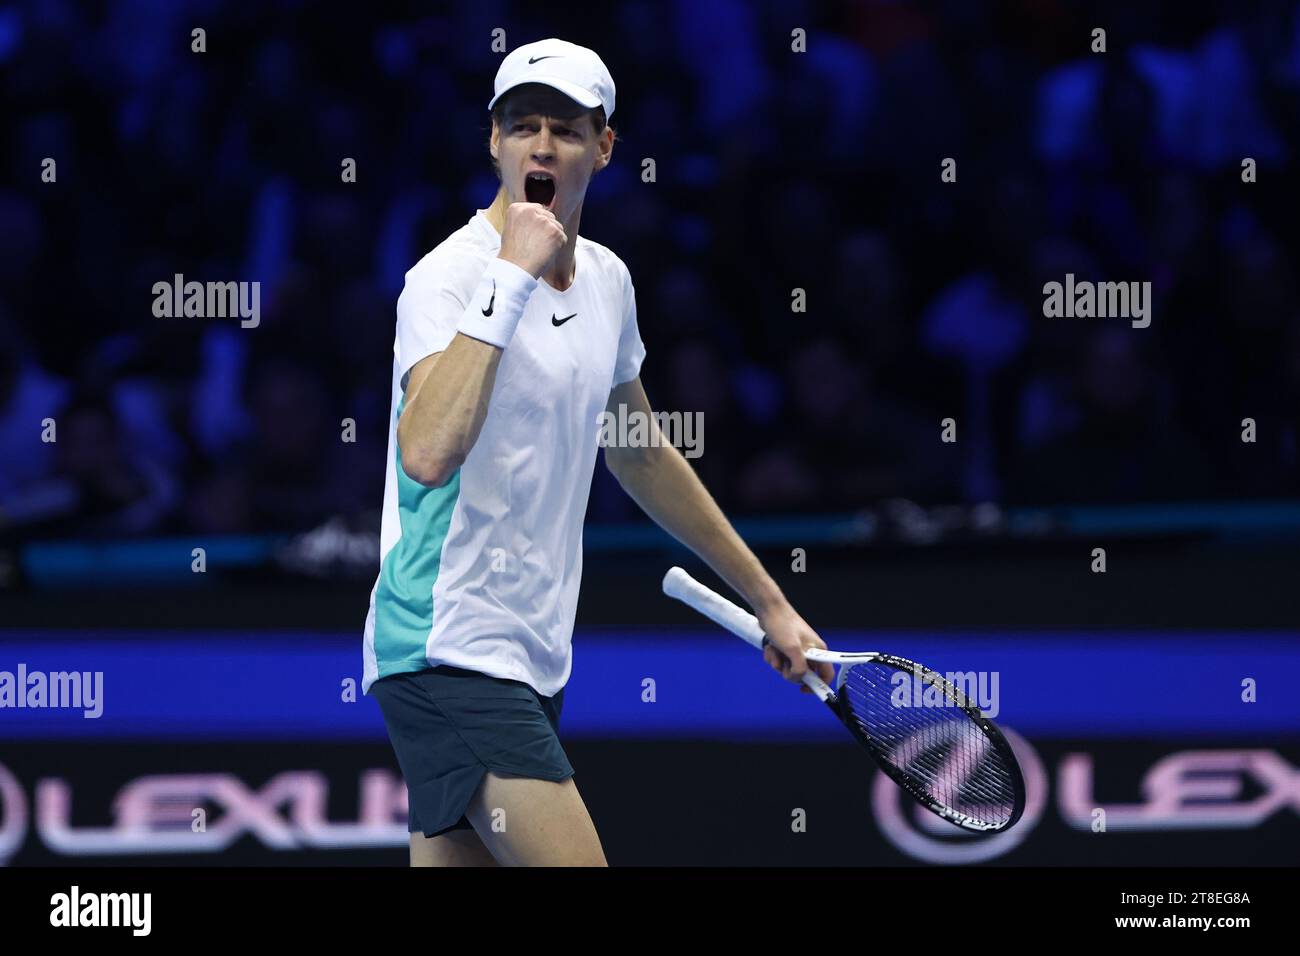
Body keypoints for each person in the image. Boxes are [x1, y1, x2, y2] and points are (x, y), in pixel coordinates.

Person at [362, 38, 832, 867]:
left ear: (604, 148)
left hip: (535, 656)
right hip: (448, 642)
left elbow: (640, 452)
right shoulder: (445, 280)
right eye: (522, 126)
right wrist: (510, 279)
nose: (542, 145)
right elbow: (428, 453)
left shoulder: (609, 282)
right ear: (494, 143)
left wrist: (769, 602)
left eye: (567, 129)